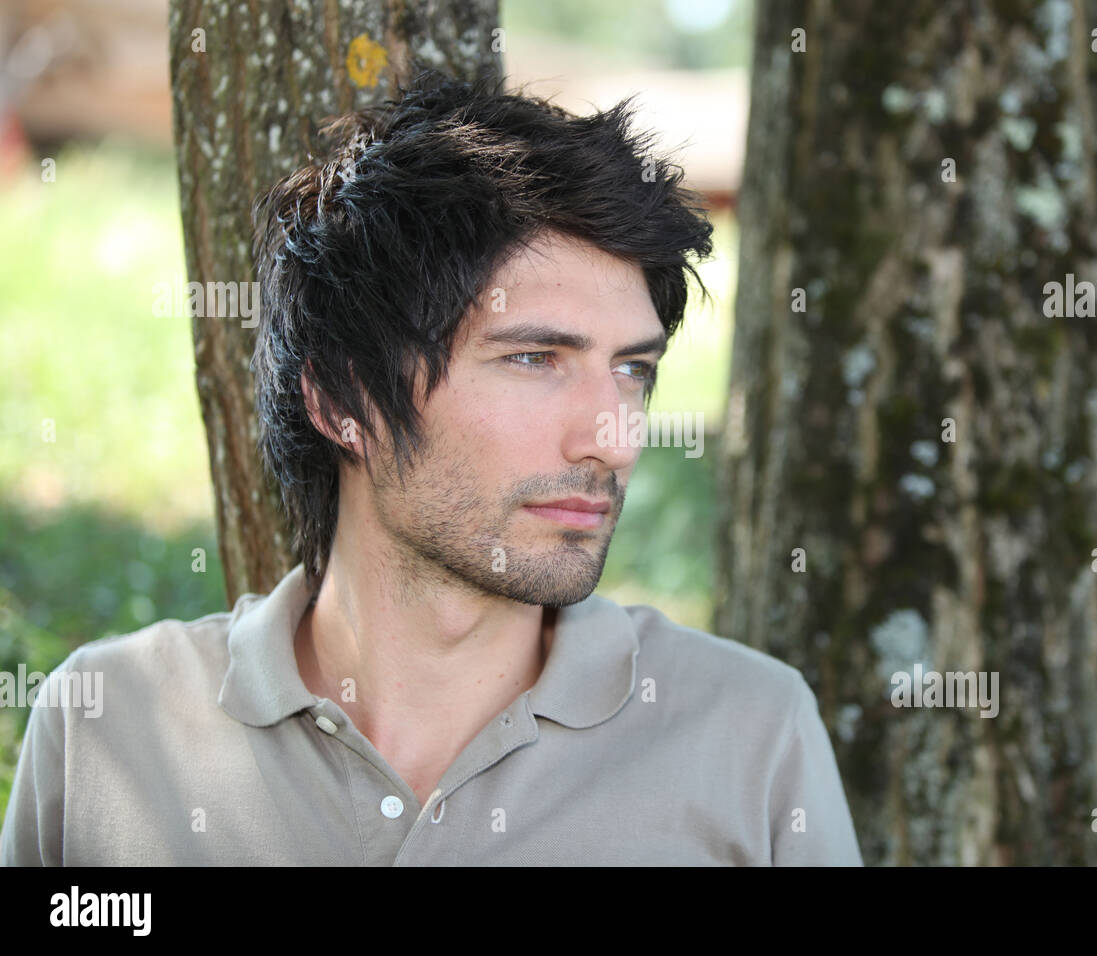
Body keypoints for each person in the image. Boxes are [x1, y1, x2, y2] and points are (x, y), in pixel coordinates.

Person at [0, 71, 862, 866]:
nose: (615, 437)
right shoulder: (107, 730)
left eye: (632, 369)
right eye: (534, 359)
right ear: (343, 401)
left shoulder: (752, 736)